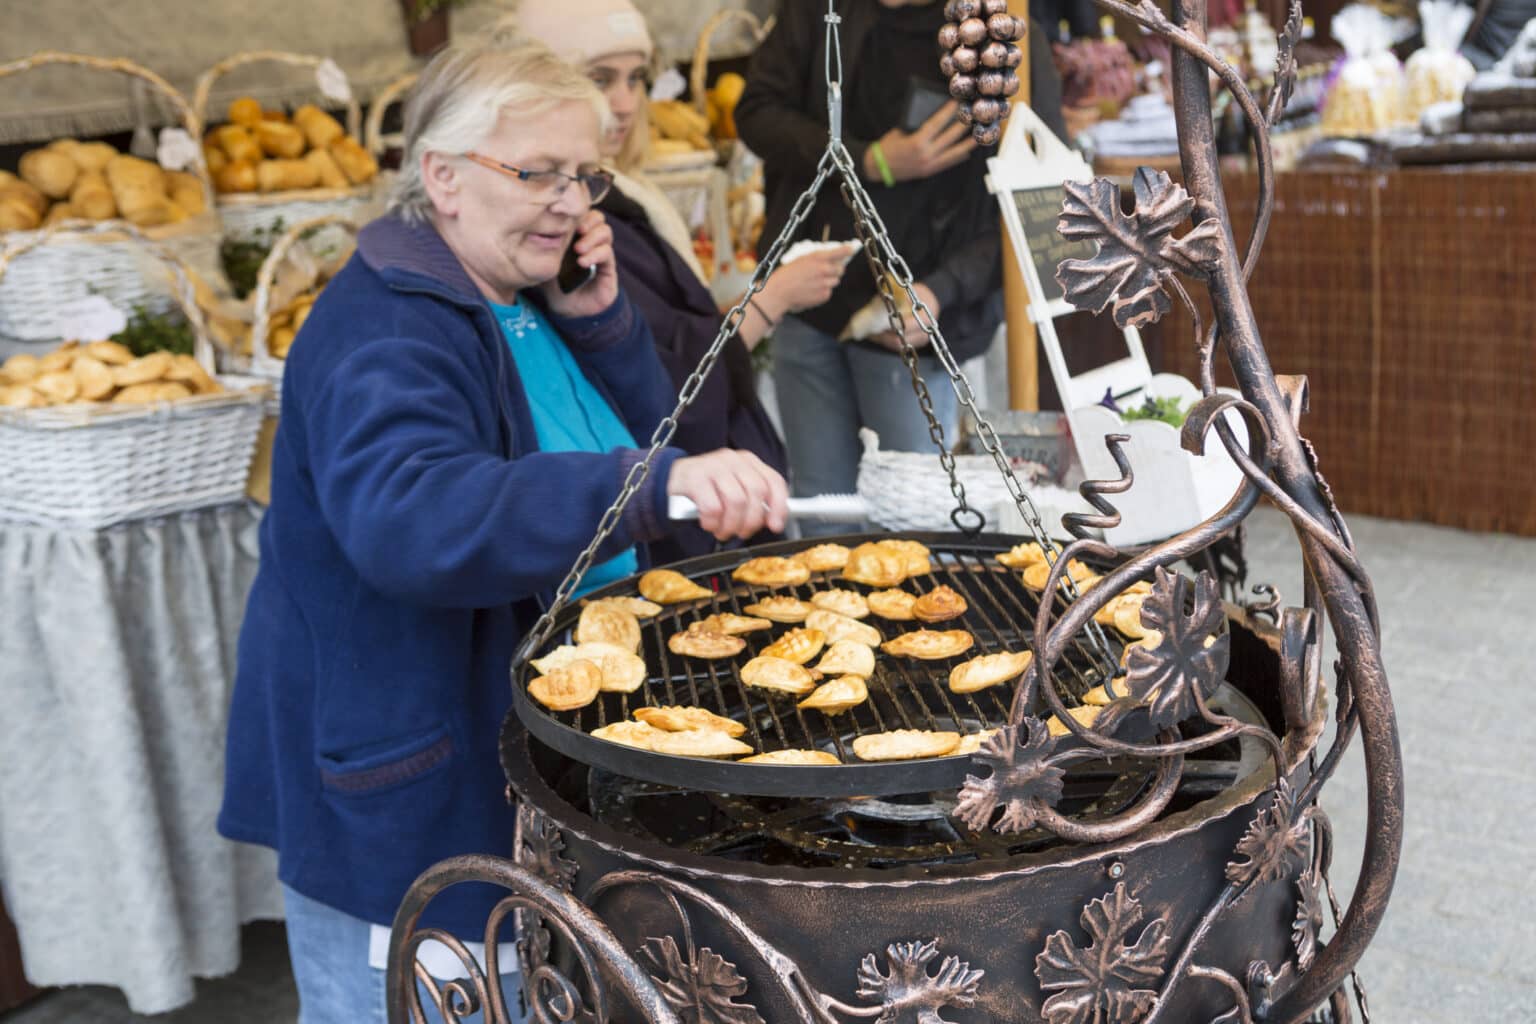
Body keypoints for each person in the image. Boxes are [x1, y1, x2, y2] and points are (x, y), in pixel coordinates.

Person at [217, 39, 787, 1024]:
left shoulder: (526, 295)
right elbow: (411, 516)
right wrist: (655, 485)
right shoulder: (387, 328)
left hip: (529, 761)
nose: (572, 201)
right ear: (441, 176)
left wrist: (603, 324)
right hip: (412, 785)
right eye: (538, 173)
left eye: (585, 174)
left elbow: (647, 435)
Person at [503, 0, 855, 560]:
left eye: (635, 79)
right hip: (673, 522)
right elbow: (670, 382)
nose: (623, 102)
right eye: (599, 79)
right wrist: (771, 300)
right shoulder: (577, 226)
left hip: (698, 502)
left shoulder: (626, 197)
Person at [736, 0, 1021, 532]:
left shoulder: (991, 25)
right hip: (810, 298)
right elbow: (755, 112)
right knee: (822, 513)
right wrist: (868, 158)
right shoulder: (817, 10)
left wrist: (941, 291)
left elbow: (1025, 200)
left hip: (912, 323)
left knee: (919, 524)